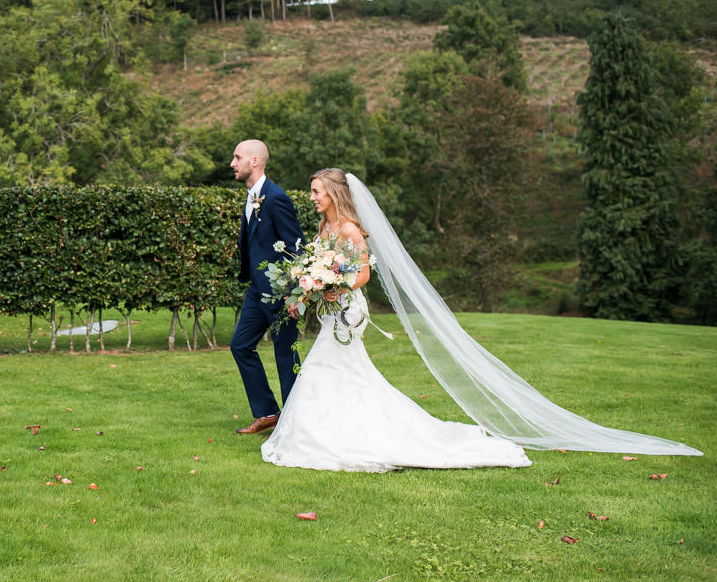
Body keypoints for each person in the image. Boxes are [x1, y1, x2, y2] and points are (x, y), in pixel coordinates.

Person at [261, 169, 701, 472]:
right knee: (340, 370)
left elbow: (362, 273)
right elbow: (323, 268)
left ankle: (341, 435)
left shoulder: (350, 229)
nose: (312, 197)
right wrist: (311, 288)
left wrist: (334, 284)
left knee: (333, 366)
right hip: (333, 307)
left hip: (349, 310)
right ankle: (334, 431)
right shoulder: (324, 230)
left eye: (316, 191)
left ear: (334, 193)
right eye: (312, 191)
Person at [228, 140, 305, 435]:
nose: (233, 163)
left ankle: (296, 422)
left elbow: (296, 247)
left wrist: (294, 293)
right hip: (257, 290)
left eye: (237, 157)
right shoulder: (252, 196)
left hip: (280, 293)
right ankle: (268, 412)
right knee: (240, 345)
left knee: (285, 355)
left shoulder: (275, 198)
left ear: (255, 161)